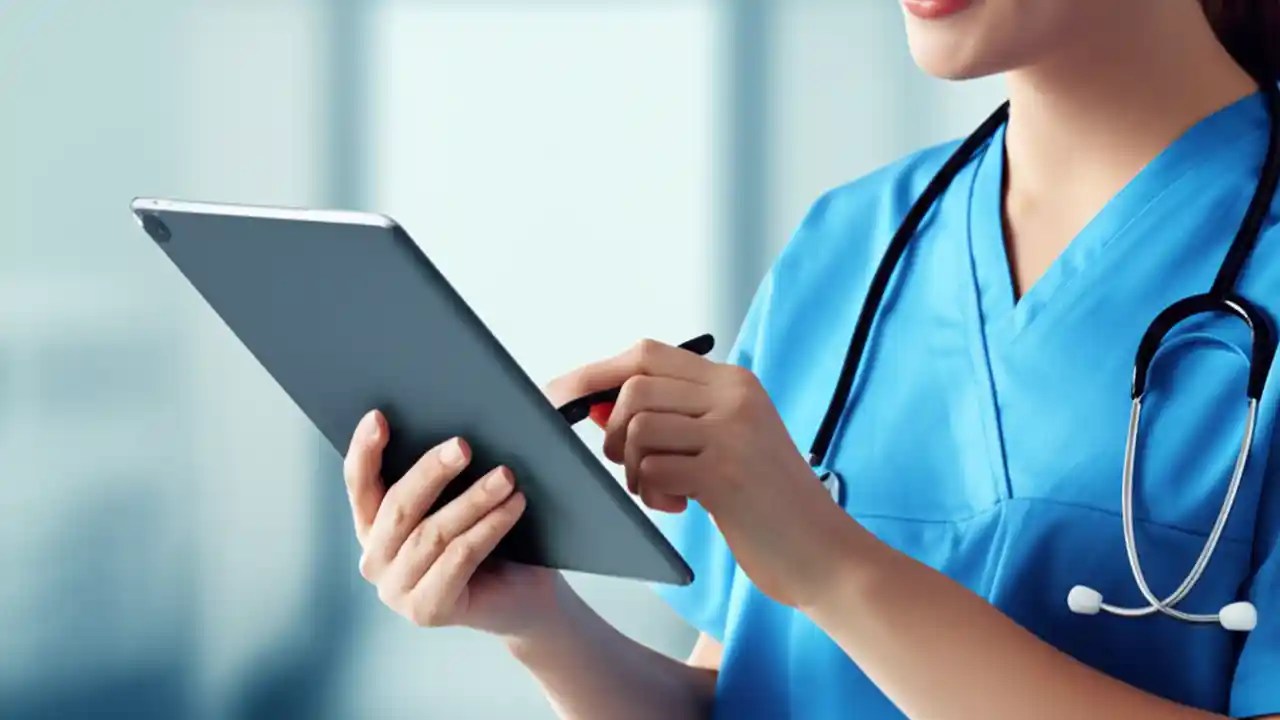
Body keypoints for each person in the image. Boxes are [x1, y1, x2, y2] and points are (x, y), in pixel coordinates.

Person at [340, 1, 1280, 717]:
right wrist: (537, 620)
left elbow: (823, 578)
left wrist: (829, 563)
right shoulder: (849, 244)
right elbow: (744, 693)